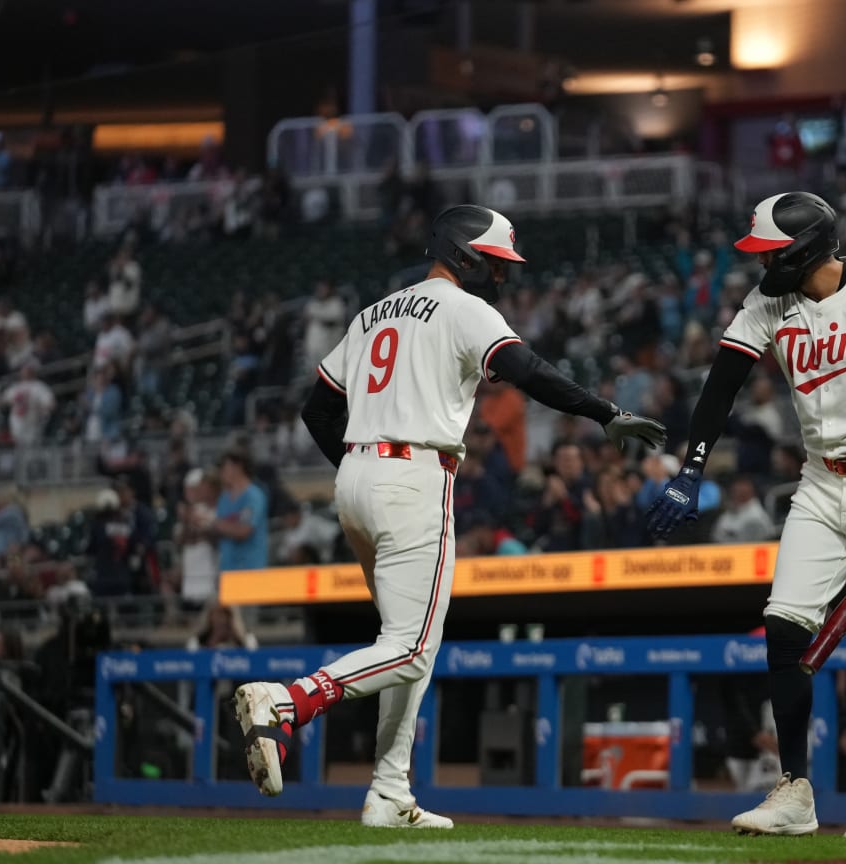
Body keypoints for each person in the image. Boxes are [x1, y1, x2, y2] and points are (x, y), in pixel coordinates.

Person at [231, 204, 665, 828]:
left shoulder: (374, 312)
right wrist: (605, 412)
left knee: (409, 641)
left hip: (356, 476)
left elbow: (315, 410)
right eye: (496, 262)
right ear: (465, 255)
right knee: (409, 649)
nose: (503, 275)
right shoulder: (463, 308)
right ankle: (287, 703)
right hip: (415, 476)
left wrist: (360, 468)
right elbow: (527, 370)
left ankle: (389, 792)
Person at [646, 191, 846, 840]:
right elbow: (720, 388)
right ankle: (795, 791)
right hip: (819, 480)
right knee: (784, 625)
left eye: (769, 252)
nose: (761, 263)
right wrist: (692, 469)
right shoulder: (767, 304)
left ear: (803, 250)